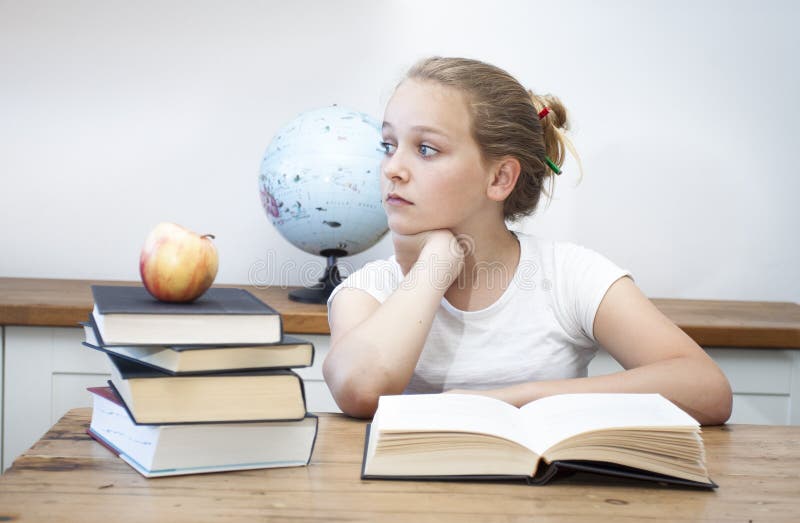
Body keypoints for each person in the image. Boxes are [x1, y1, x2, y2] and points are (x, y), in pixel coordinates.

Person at [323, 56, 732, 424]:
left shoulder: (568, 276)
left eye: (426, 149)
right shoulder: (368, 290)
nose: (393, 168)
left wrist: (512, 400)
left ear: (499, 178)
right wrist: (435, 263)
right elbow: (359, 388)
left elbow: (706, 389)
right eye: (388, 145)